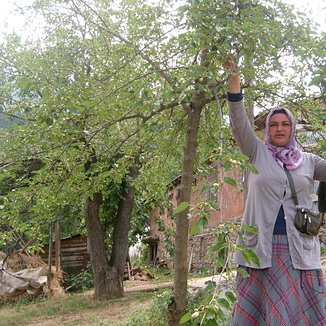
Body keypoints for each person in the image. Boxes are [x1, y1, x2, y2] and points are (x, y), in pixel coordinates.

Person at [224, 58, 326, 325]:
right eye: (273, 124)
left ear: (292, 128)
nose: (279, 128)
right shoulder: (256, 152)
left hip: (298, 250)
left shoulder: (309, 161)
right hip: (259, 250)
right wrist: (234, 78)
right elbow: (237, 121)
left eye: (285, 124)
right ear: (267, 129)